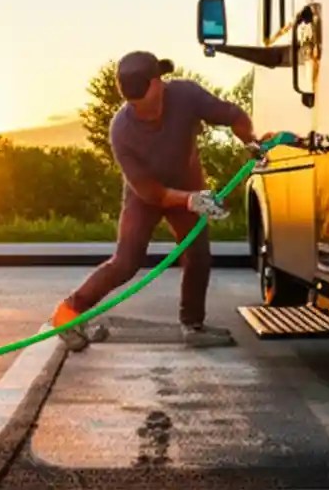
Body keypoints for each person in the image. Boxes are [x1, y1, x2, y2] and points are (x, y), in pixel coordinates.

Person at [49, 50, 270, 350]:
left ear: (158, 83)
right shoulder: (121, 130)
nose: (144, 113)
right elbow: (151, 192)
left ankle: (192, 325)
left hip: (187, 182)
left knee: (198, 255)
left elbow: (234, 115)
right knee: (126, 262)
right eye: (136, 107)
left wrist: (250, 141)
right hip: (145, 195)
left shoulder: (185, 95)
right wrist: (191, 201)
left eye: (149, 104)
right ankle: (66, 315)